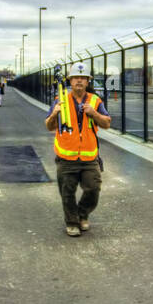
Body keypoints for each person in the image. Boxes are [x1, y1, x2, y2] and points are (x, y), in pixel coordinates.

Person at [47, 65, 109, 237]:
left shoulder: (95, 101)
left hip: (89, 157)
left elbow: (107, 123)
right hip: (66, 156)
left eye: (83, 77)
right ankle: (72, 222)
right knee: (67, 193)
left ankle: (82, 214)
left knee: (93, 188)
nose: (79, 80)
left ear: (88, 81)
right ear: (70, 81)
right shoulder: (60, 99)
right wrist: (54, 114)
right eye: (75, 77)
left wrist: (94, 114)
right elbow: (48, 126)